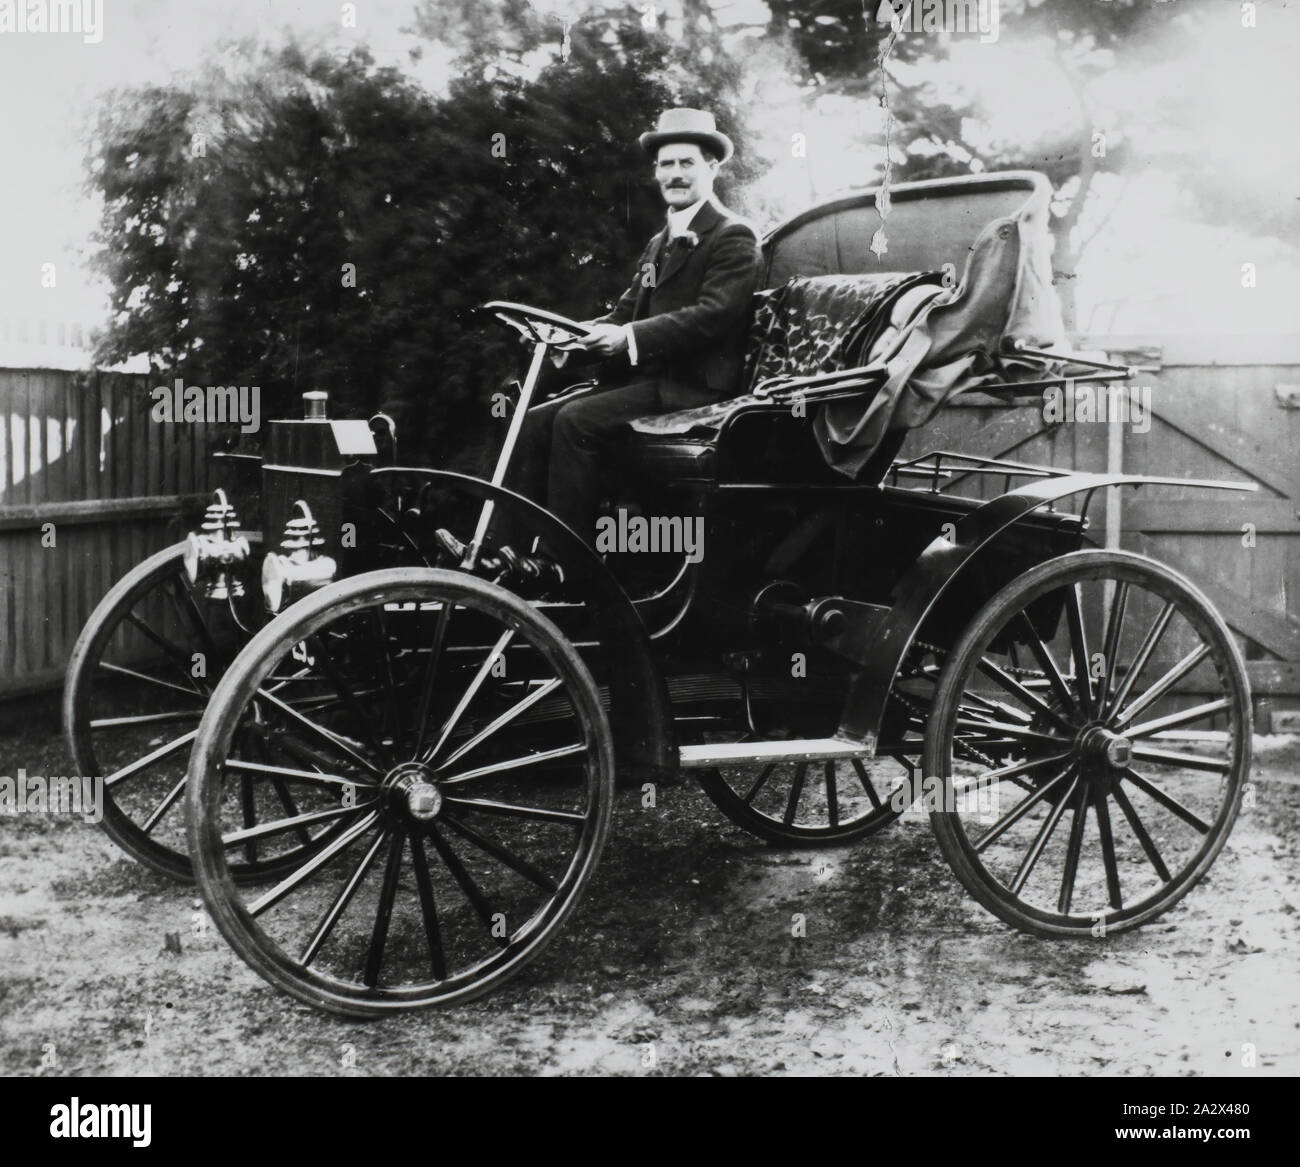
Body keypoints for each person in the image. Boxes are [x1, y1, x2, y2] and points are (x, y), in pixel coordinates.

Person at [504, 107, 763, 549]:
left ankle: (567, 565)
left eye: (687, 163)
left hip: (693, 389)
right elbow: (626, 312)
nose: (675, 174)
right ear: (655, 171)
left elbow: (712, 316)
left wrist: (629, 338)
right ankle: (506, 556)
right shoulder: (658, 244)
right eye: (666, 164)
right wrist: (568, 340)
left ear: (712, 168)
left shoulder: (733, 236)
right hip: (646, 383)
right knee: (533, 422)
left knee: (574, 420)